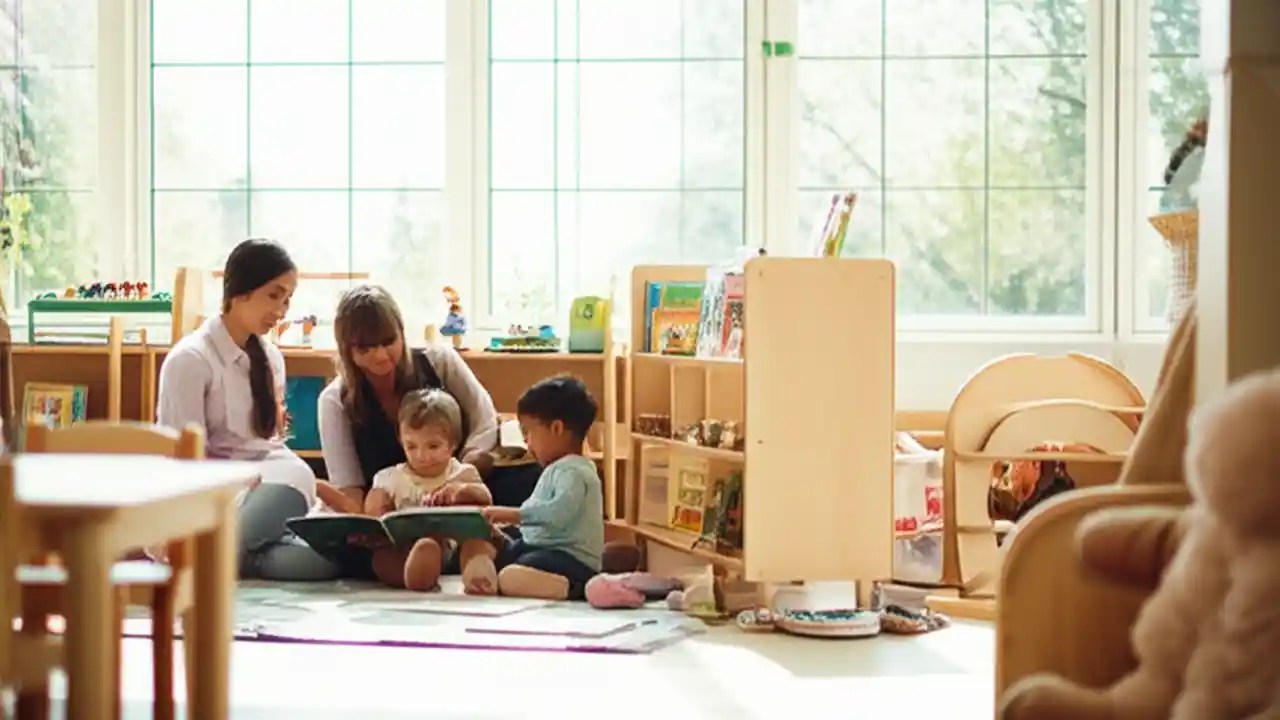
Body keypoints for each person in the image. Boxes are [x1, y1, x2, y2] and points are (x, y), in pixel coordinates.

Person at [157, 238, 337, 581]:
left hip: (269, 483)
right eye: (274, 295)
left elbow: (268, 446)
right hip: (217, 491)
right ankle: (229, 554)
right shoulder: (190, 360)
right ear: (240, 290)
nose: (282, 310)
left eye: (287, 299)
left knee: (320, 545)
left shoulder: (270, 358)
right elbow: (182, 458)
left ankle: (227, 556)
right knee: (316, 555)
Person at [318, 285, 501, 512]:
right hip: (388, 502)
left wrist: (456, 480)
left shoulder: (439, 361)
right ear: (347, 350)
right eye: (365, 349)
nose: (380, 356)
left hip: (457, 490)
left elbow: (484, 422)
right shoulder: (335, 399)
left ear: (402, 332)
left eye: (388, 342)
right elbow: (349, 485)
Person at [316, 388, 495, 591]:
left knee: (478, 544)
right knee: (383, 558)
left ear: (453, 443)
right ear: (401, 442)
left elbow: (485, 498)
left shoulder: (461, 473)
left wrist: (459, 491)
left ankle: (477, 575)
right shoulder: (389, 478)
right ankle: (417, 575)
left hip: (452, 547)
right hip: (403, 548)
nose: (422, 455)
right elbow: (371, 513)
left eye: (433, 446)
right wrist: (377, 516)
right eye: (412, 446)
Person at [470, 375, 604, 600]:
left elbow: (557, 513)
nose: (527, 443)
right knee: (488, 546)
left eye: (528, 433)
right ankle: (487, 578)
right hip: (541, 547)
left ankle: (577, 588)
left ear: (557, 428)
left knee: (512, 575)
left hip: (569, 558)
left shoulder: (573, 471)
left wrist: (514, 515)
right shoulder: (558, 468)